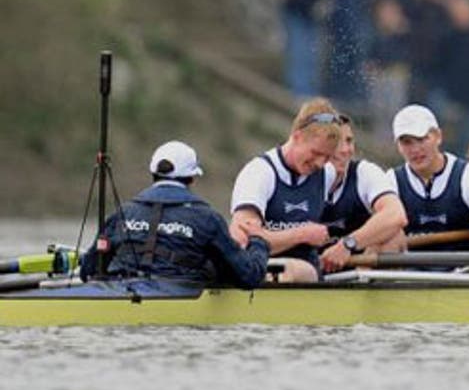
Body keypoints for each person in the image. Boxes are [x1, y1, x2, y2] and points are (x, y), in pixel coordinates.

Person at [80, 141, 269, 288]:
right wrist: (259, 242)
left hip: (118, 293)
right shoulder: (208, 219)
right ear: (192, 178)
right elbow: (249, 277)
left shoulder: (122, 213)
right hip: (179, 296)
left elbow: (87, 270)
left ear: (153, 173)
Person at [230, 99, 342, 283]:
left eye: (327, 157)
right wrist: (302, 234)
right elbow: (243, 242)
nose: (320, 163)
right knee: (288, 271)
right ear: (297, 137)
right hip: (263, 274)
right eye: (315, 153)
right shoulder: (259, 173)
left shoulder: (327, 174)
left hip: (308, 277)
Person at [387, 104, 469, 269]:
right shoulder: (390, 182)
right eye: (407, 142)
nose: (415, 149)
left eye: (422, 139)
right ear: (398, 146)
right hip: (411, 281)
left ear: (438, 136)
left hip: (466, 278)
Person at [318, 115, 408, 272]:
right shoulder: (298, 177)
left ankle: (363, 291)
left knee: (394, 235)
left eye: (349, 141)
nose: (346, 150)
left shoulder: (364, 172)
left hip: (358, 270)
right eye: (337, 142)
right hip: (309, 272)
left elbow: (396, 215)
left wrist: (348, 244)